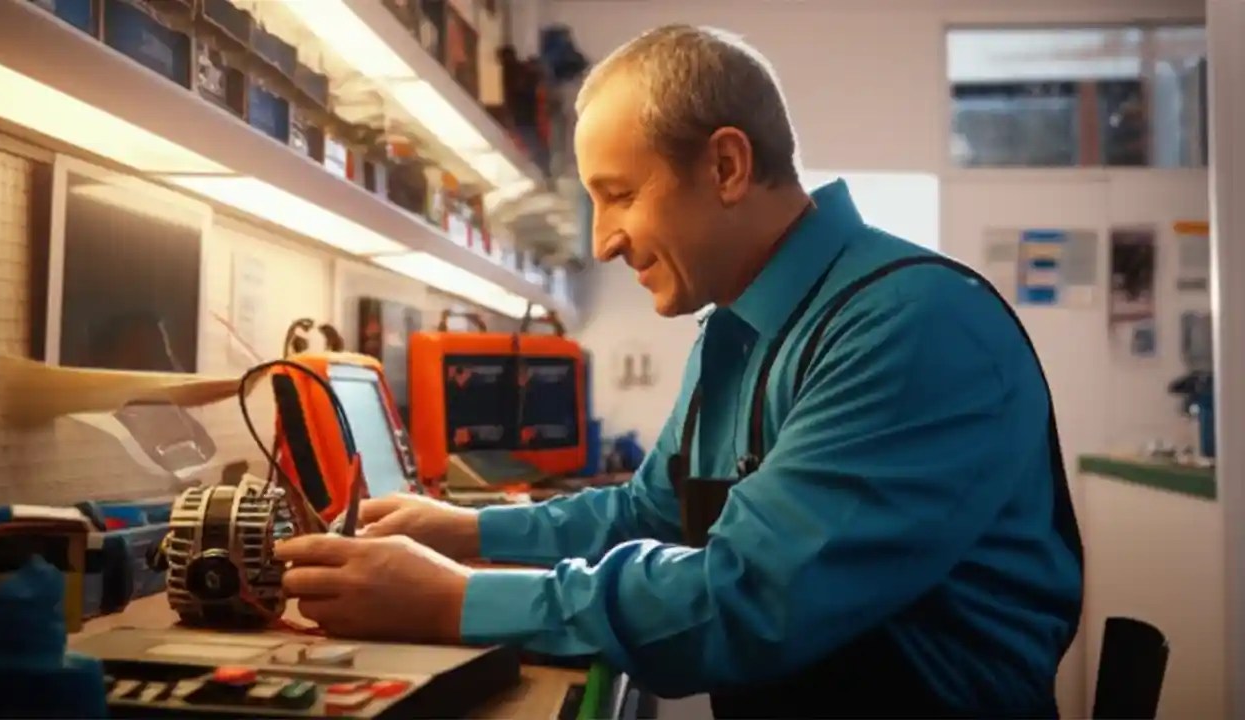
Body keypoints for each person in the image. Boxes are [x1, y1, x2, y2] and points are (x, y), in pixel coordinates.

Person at [275, 24, 1085, 718]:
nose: (602, 241)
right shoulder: (737, 323)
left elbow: (751, 598)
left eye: (619, 195)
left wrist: (455, 599)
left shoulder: (910, 327)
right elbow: (655, 512)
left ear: (726, 167)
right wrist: (466, 530)